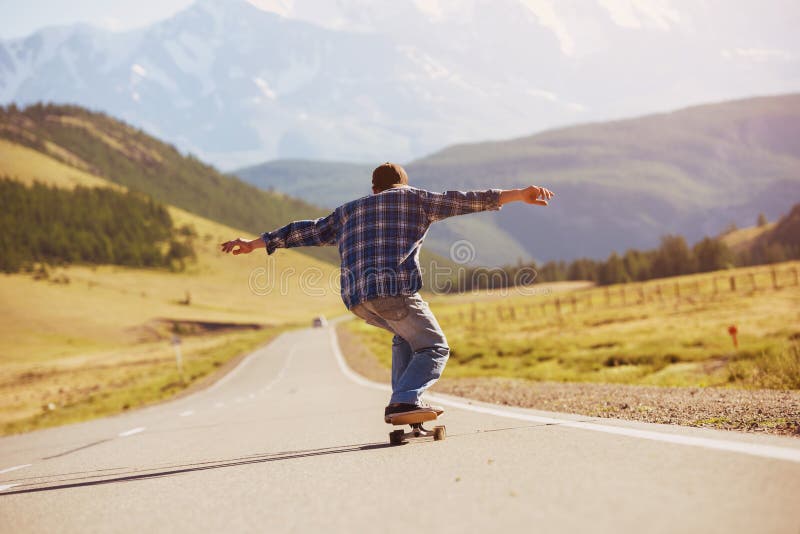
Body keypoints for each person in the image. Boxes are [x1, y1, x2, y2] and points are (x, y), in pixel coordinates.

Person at [221, 163, 554, 422]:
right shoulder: (417, 200)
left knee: (405, 337)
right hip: (393, 290)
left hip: (356, 299)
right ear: (403, 185)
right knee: (434, 346)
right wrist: (519, 194)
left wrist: (253, 243)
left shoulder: (348, 211)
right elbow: (467, 200)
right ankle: (405, 400)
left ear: (374, 189)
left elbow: (303, 231)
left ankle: (404, 401)